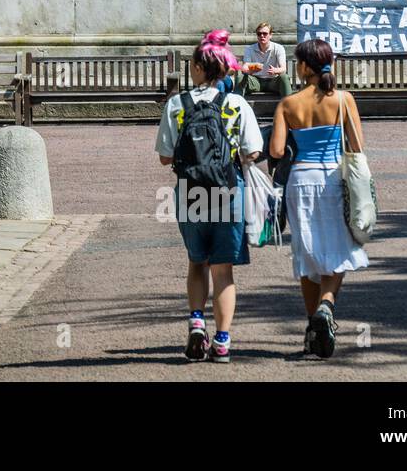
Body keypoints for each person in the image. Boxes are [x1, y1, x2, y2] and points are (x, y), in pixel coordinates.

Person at [155, 30, 262, 364]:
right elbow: (254, 150)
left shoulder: (177, 104)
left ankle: (197, 321)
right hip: (228, 190)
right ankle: (222, 342)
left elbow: (164, 156)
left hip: (190, 191)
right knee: (223, 271)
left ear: (201, 68)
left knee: (196, 262)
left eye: (192, 65)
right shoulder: (236, 103)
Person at [269, 38, 369, 359]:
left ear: (304, 67)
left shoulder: (288, 104)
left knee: (306, 251)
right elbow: (356, 146)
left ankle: (313, 327)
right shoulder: (343, 99)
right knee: (338, 248)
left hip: (300, 179)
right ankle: (326, 307)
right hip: (331, 178)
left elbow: (275, 151)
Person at [236, 22, 292, 99]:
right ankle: (235, 105)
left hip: (273, 81)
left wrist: (275, 70)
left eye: (265, 33)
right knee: (240, 77)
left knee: (284, 77)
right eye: (259, 34)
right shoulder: (249, 49)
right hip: (255, 81)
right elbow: (245, 68)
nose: (262, 36)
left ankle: (290, 106)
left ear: (270, 35)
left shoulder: (278, 48)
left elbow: (283, 69)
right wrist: (251, 70)